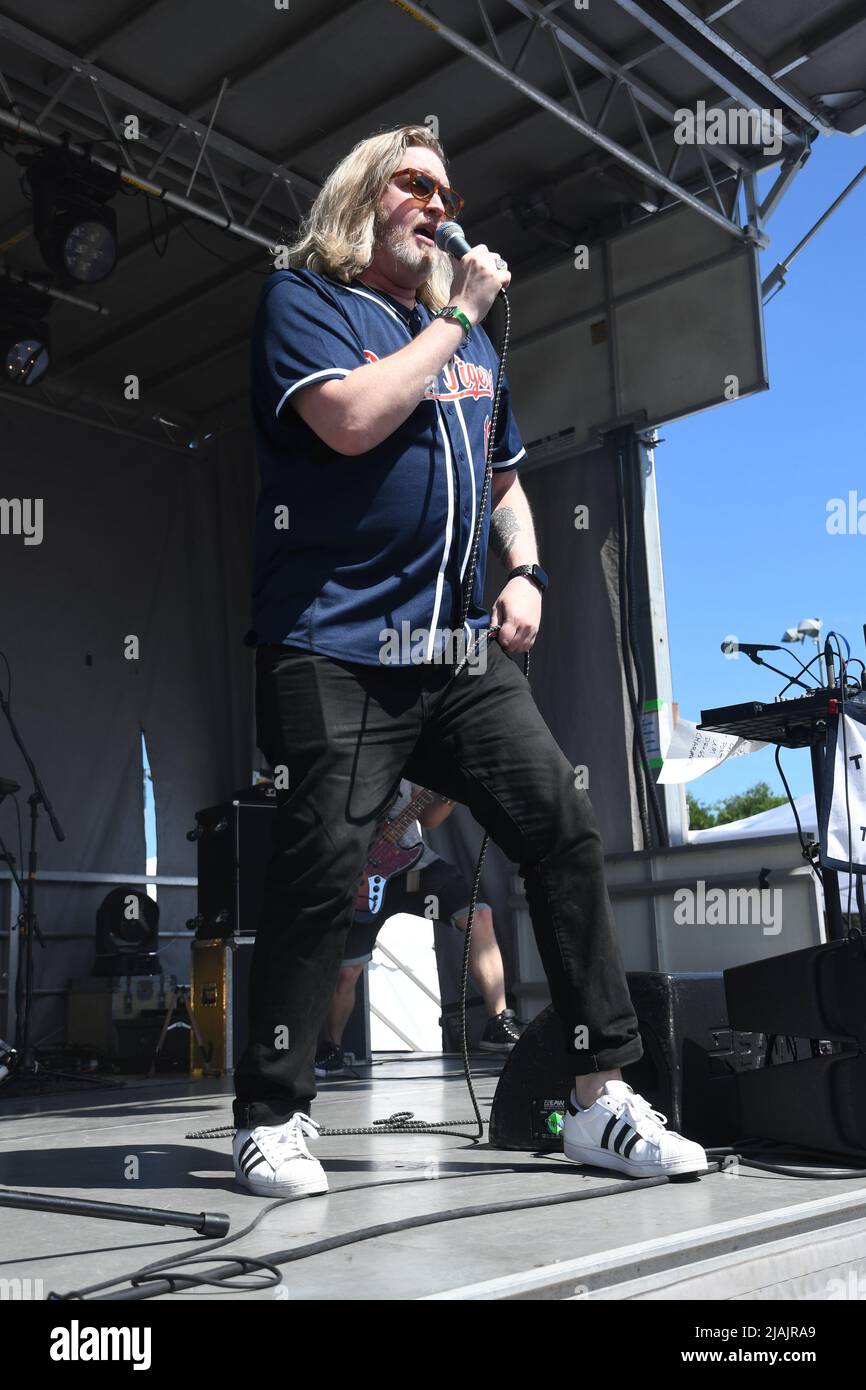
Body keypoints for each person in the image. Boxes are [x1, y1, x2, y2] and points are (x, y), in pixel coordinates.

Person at [233, 124, 708, 1197]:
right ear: (364, 197)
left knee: (559, 822)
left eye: (445, 188)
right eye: (413, 182)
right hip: (334, 635)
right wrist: (454, 317)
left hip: (452, 643)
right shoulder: (307, 301)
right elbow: (351, 419)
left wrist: (526, 571)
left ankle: (597, 1094)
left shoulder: (473, 348)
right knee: (322, 862)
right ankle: (271, 1113)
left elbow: (500, 476)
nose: (436, 201)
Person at [315, 779, 525, 1076]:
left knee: (479, 916)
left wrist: (451, 795)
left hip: (415, 865)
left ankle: (497, 1022)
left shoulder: (407, 759)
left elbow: (428, 819)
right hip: (364, 872)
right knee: (347, 972)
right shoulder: (346, 765)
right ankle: (330, 1048)